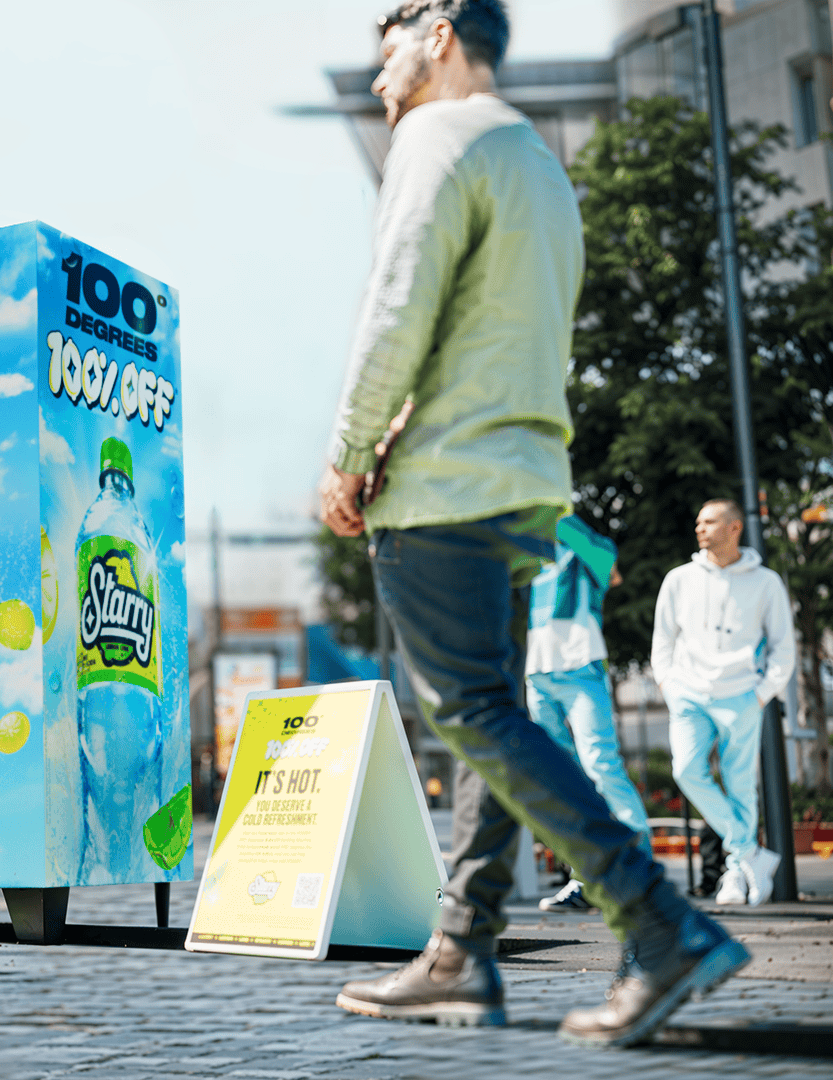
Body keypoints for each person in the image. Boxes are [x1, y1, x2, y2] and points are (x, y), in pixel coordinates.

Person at [317, 0, 746, 1047]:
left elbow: (397, 304)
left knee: (472, 715)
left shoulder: (433, 135)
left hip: (442, 483)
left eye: (389, 56)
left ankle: (659, 924)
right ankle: (463, 953)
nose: (381, 84)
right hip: (522, 483)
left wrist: (344, 454)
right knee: (493, 720)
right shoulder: (537, 161)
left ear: (444, 32)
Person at [651, 498, 794, 906]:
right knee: (687, 771)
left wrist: (761, 694)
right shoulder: (679, 579)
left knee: (739, 785)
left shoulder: (765, 582)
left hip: (742, 695)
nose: (700, 528)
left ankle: (737, 873)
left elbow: (784, 647)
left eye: (710, 521)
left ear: (734, 528)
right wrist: (667, 684)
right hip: (689, 694)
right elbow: (663, 639)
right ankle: (750, 853)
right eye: (698, 522)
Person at [526, 514, 654, 913]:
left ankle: (641, 872)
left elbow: (597, 550)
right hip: (535, 675)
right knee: (562, 777)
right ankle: (585, 878)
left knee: (601, 766)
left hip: (580, 671)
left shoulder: (586, 558)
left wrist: (549, 502)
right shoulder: (526, 559)